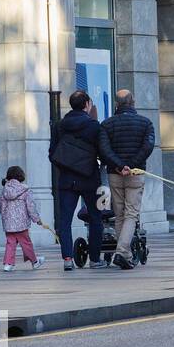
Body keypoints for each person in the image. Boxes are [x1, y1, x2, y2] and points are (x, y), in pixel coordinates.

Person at [98, 89, 155, 271]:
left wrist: (119, 166)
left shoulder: (106, 124)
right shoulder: (146, 123)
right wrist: (130, 165)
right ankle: (122, 252)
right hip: (136, 174)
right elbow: (147, 147)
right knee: (131, 214)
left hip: (115, 174)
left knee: (120, 214)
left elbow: (104, 150)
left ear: (117, 104)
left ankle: (126, 254)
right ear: (133, 102)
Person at [50, 90, 106, 271]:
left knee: (65, 221)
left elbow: (52, 154)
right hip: (91, 179)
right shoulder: (94, 126)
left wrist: (67, 165)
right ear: (87, 104)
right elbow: (103, 152)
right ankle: (95, 259)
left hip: (66, 180)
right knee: (96, 217)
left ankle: (67, 258)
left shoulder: (59, 126)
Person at [0, 167, 45, 272]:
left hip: (9, 223)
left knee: (10, 243)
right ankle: (35, 262)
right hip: (21, 223)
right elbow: (30, 207)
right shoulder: (25, 190)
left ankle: (8, 264)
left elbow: (1, 205)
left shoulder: (5, 189)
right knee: (26, 242)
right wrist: (37, 219)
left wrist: (5, 217)